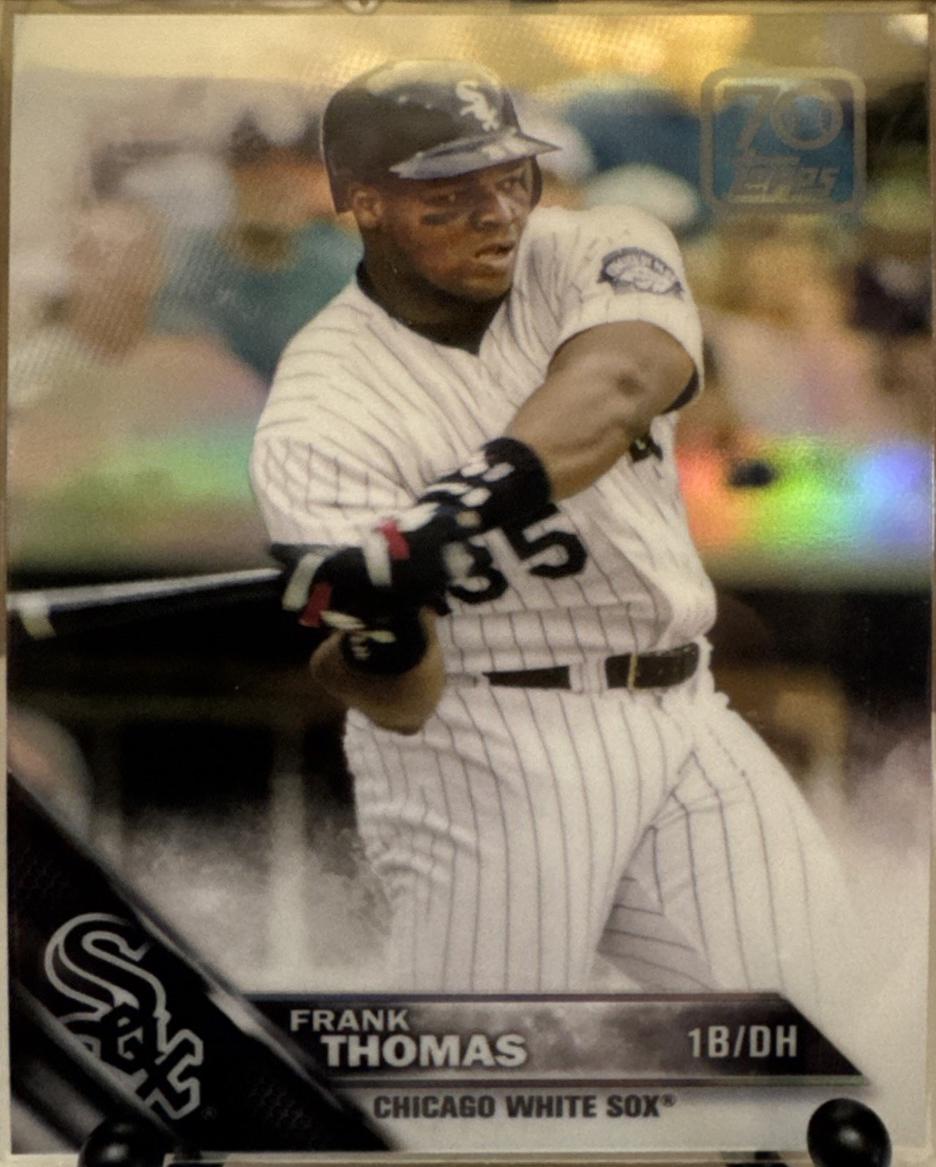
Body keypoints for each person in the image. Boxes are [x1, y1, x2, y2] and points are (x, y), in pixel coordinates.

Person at [250, 61, 859, 1019]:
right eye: (453, 193)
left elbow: (621, 382)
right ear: (364, 202)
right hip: (481, 741)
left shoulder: (595, 244)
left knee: (819, 1018)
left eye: (512, 177)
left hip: (682, 706)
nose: (499, 212)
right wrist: (382, 624)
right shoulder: (322, 409)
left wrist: (453, 512)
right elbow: (400, 698)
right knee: (480, 1062)